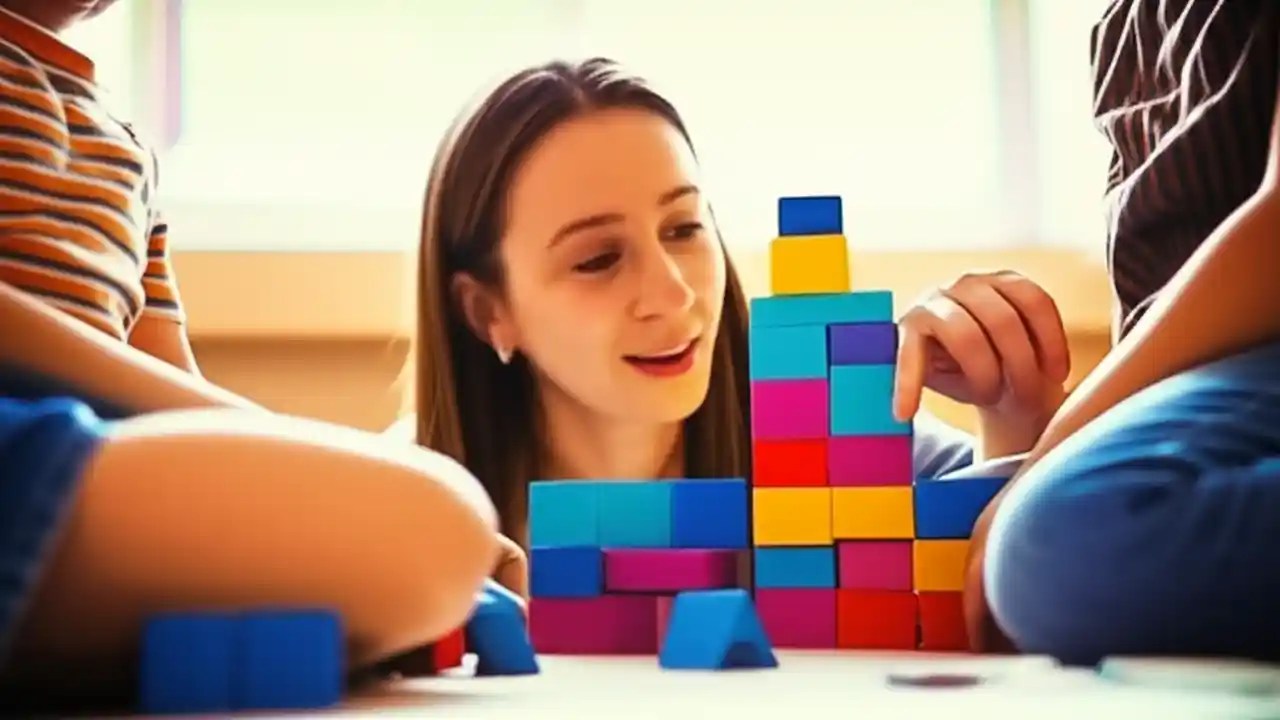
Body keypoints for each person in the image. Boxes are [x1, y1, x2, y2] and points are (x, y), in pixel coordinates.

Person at [0, 1, 503, 708]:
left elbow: (168, 384)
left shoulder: (127, 149)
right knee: (435, 522)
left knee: (427, 528)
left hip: (97, 464)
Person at [404, 56, 1064, 554]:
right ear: (487, 312)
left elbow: (1017, 604)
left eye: (684, 229)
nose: (674, 293)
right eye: (598, 259)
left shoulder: (852, 455)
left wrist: (1015, 423)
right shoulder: (401, 507)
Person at [914, 0, 1280, 665]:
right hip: (1218, 398)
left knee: (1058, 541)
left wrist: (1042, 458)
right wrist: (1035, 442)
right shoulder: (1124, 29)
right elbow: (1154, 299)